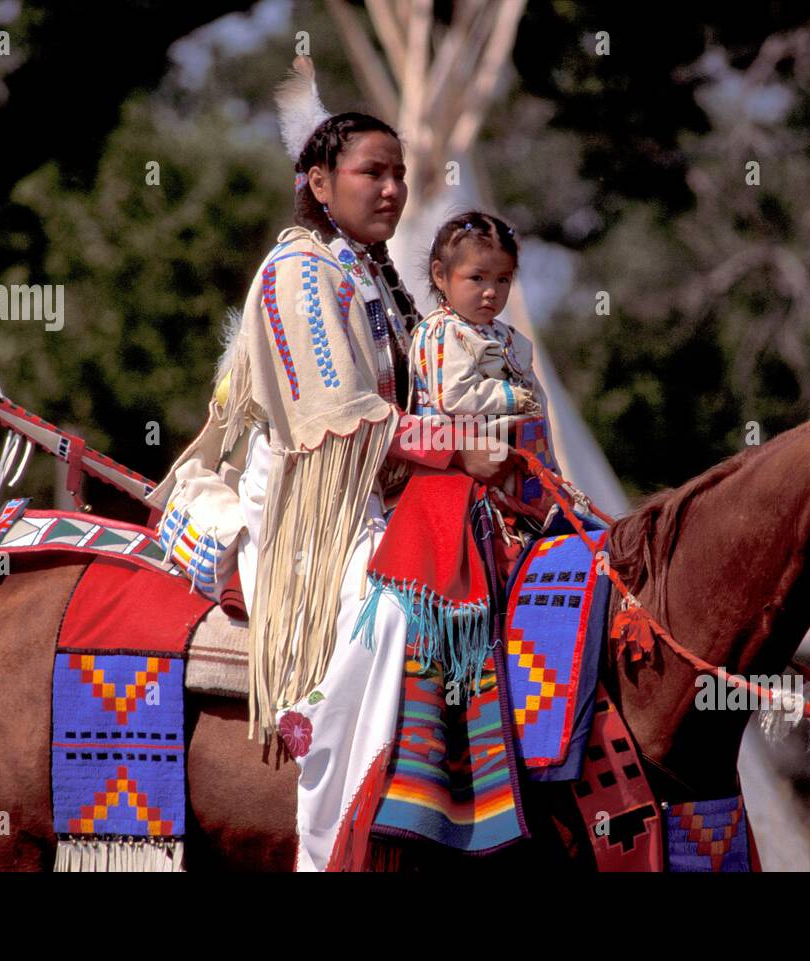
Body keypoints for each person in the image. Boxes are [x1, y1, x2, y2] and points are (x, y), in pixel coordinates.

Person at [147, 57, 509, 872]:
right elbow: (336, 418)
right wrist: (452, 444)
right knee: (392, 610)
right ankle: (333, 820)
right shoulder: (297, 274)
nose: (392, 190)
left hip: (380, 497)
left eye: (401, 175)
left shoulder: (369, 275)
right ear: (318, 179)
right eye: (371, 173)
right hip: (311, 516)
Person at [410, 211, 558, 522]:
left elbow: (536, 401)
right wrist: (510, 397)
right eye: (477, 278)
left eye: (502, 279)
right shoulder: (442, 332)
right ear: (440, 275)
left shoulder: (506, 337)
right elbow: (453, 396)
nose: (491, 290)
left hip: (517, 466)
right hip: (462, 470)